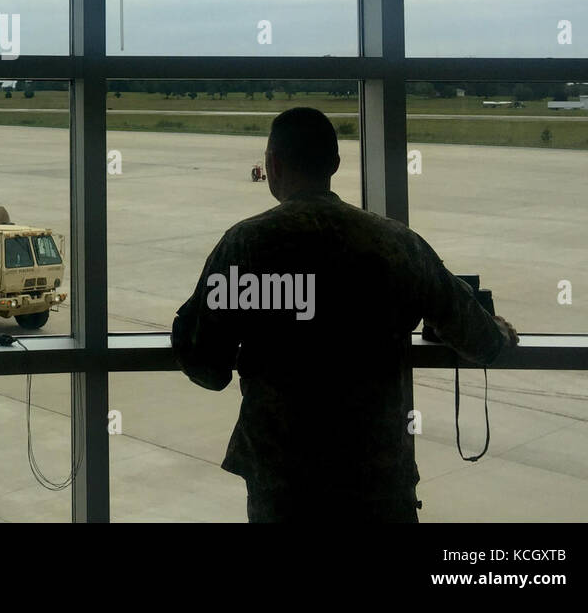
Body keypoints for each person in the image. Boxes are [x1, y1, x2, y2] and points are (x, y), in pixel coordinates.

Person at [171, 106, 518, 523]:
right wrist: (495, 329)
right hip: (378, 483)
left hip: (286, 486)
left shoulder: (247, 244)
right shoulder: (398, 244)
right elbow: (481, 340)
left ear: (273, 164)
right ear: (335, 164)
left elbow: (207, 366)